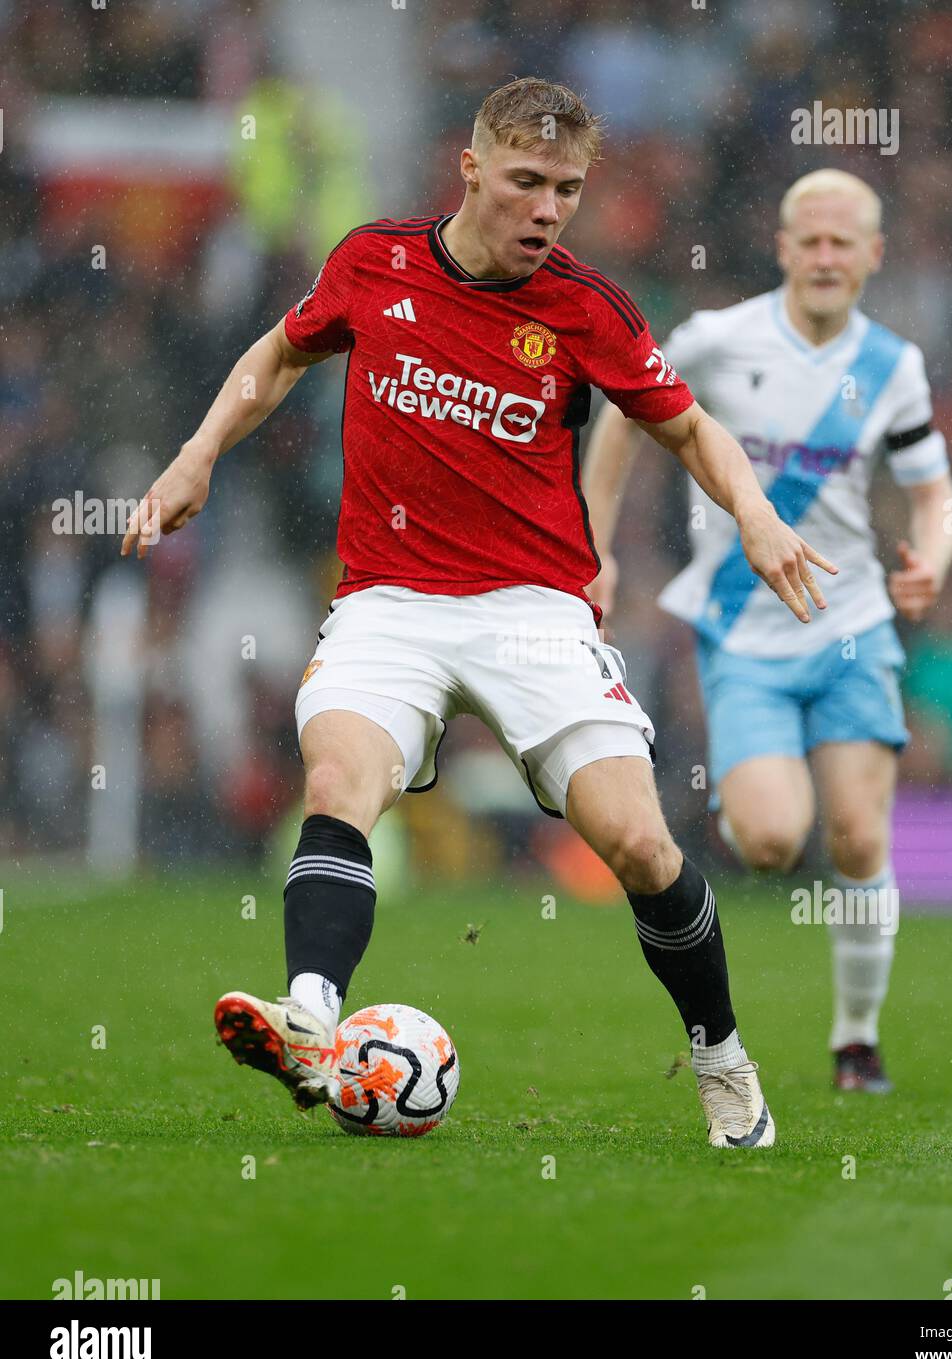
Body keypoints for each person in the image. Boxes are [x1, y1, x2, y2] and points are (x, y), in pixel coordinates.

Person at [122, 79, 836, 1149]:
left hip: (534, 611)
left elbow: (689, 429)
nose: (548, 209)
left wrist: (758, 516)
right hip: (388, 601)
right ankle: (310, 1017)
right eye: (526, 182)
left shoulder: (586, 310)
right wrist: (195, 458)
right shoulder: (374, 263)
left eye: (568, 190)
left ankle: (721, 1056)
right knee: (338, 783)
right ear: (470, 168)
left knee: (641, 844)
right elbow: (275, 357)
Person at [583, 170, 952, 1092]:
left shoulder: (894, 368)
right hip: (744, 632)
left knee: (859, 838)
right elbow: (626, 413)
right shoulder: (717, 340)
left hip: (850, 624)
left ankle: (856, 1042)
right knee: (772, 842)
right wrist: (596, 543)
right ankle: (752, 795)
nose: (825, 257)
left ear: (872, 255)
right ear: (784, 249)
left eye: (843, 243)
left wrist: (936, 557)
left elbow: (935, 496)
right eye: (810, 241)